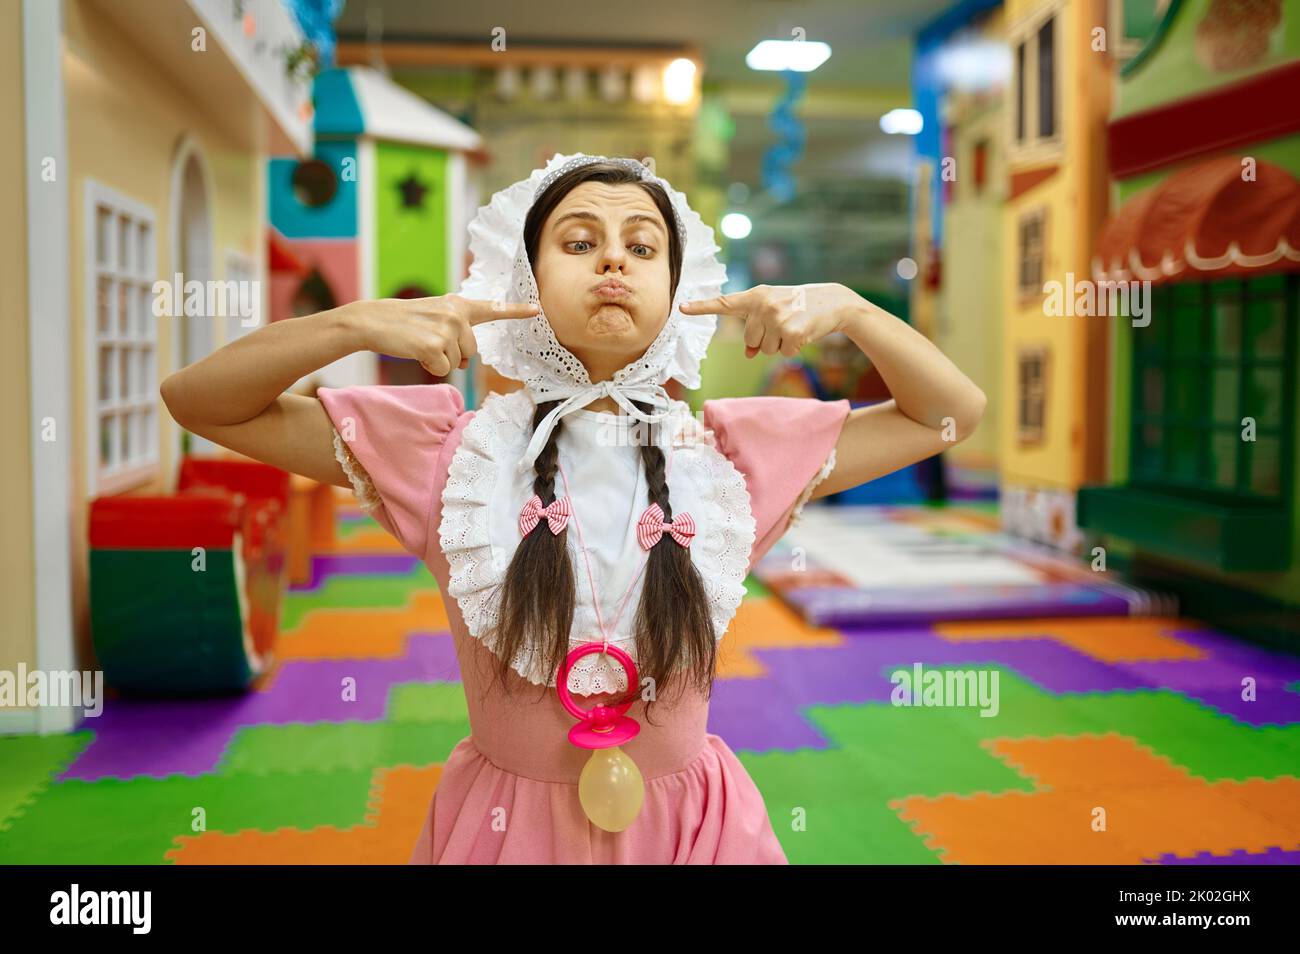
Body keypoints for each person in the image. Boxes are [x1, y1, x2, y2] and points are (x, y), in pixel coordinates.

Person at [160, 153, 986, 863]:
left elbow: (950, 413)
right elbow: (200, 403)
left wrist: (852, 307)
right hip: (507, 834)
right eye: (580, 242)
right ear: (527, 278)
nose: (614, 264)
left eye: (642, 246)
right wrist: (348, 323)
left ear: (677, 286)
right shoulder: (451, 455)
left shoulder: (732, 463)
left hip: (696, 833)